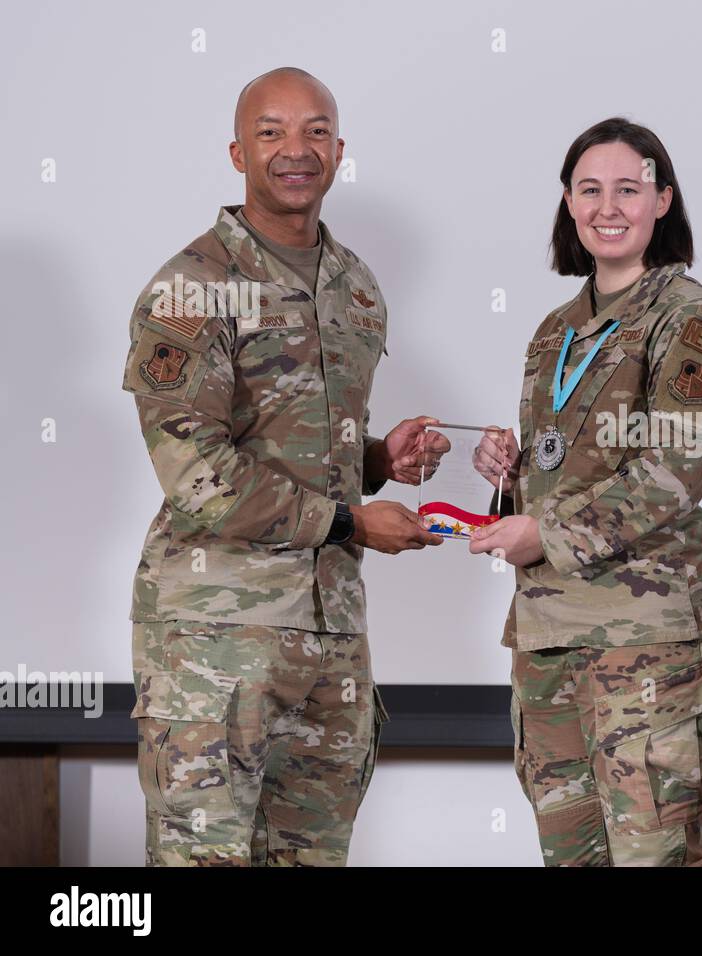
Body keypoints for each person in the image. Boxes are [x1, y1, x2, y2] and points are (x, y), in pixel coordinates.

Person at [122, 67, 447, 866]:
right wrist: (348, 520)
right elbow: (197, 472)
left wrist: (377, 461)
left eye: (316, 131)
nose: (295, 150)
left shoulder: (356, 287)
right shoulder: (190, 289)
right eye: (271, 132)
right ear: (239, 151)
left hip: (330, 639)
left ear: (339, 150)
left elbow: (306, 446)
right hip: (215, 644)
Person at [469, 117, 702, 866]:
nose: (608, 206)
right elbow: (568, 469)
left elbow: (671, 473)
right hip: (550, 637)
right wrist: (508, 474)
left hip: (649, 646)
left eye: (629, 188)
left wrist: (546, 537)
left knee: (650, 856)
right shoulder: (555, 331)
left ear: (662, 201)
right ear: (568, 202)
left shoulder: (695, 322)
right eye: (589, 189)